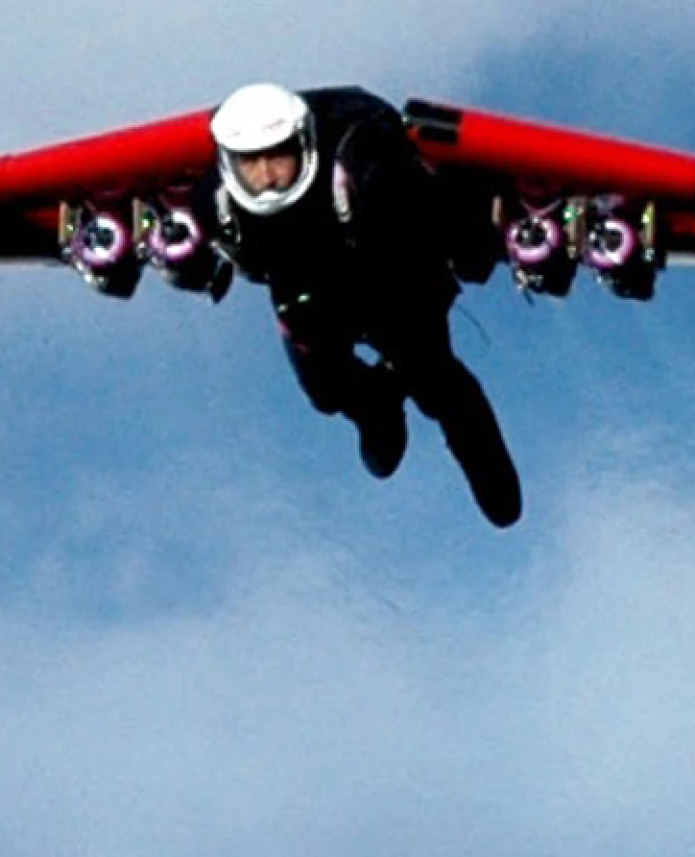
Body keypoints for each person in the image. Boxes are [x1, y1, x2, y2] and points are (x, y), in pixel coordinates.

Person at [208, 83, 523, 528]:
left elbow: (439, 196)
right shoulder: (217, 197)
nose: (267, 175)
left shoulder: (367, 164)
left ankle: (486, 471)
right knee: (323, 388)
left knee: (436, 382)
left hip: (392, 287)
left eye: (277, 156)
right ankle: (377, 406)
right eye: (251, 162)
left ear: (302, 145)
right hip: (310, 303)